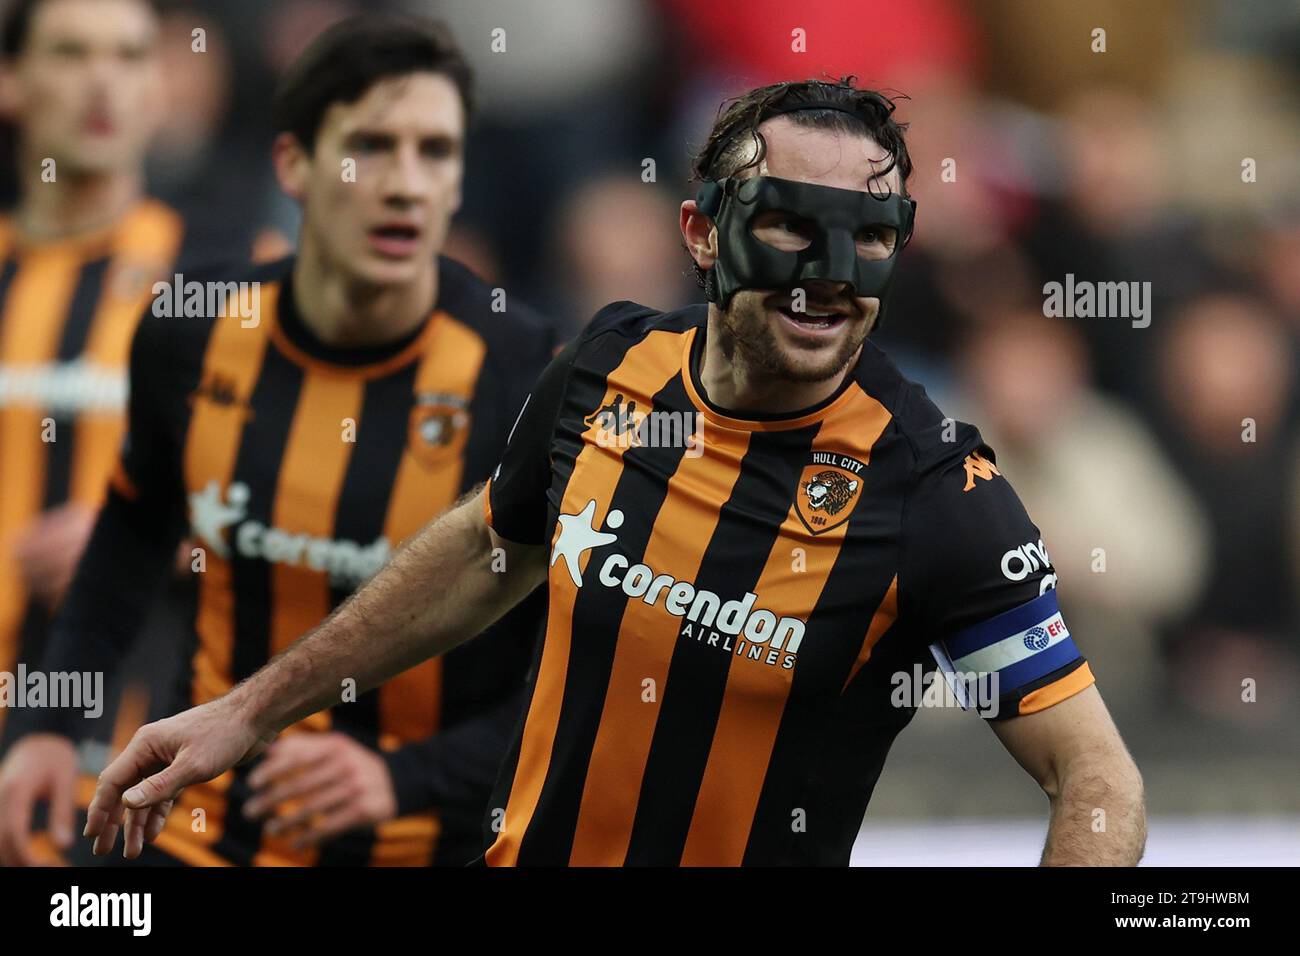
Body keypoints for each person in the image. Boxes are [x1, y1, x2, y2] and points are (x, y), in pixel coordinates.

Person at [85, 78, 1145, 866]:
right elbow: (485, 547)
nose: (829, 276)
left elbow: (1097, 779)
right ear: (700, 230)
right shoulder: (610, 364)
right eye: (788, 225)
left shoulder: (934, 493)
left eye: (869, 236)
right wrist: (248, 710)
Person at [1, 14, 552, 867]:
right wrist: (44, 723)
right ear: (293, 163)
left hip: (413, 846)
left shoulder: (521, 372)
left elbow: (567, 666)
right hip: (192, 837)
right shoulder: (193, 330)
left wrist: (406, 778)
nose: (405, 183)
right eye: (370, 146)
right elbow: (131, 532)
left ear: (458, 182)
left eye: (435, 152)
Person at [0, 0, 195, 861]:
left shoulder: (232, 281)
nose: (103, 81)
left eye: (128, 55)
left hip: (133, 767)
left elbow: (313, 520)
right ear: (11, 82)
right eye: (72, 53)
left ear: (159, 85)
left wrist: (144, 539)